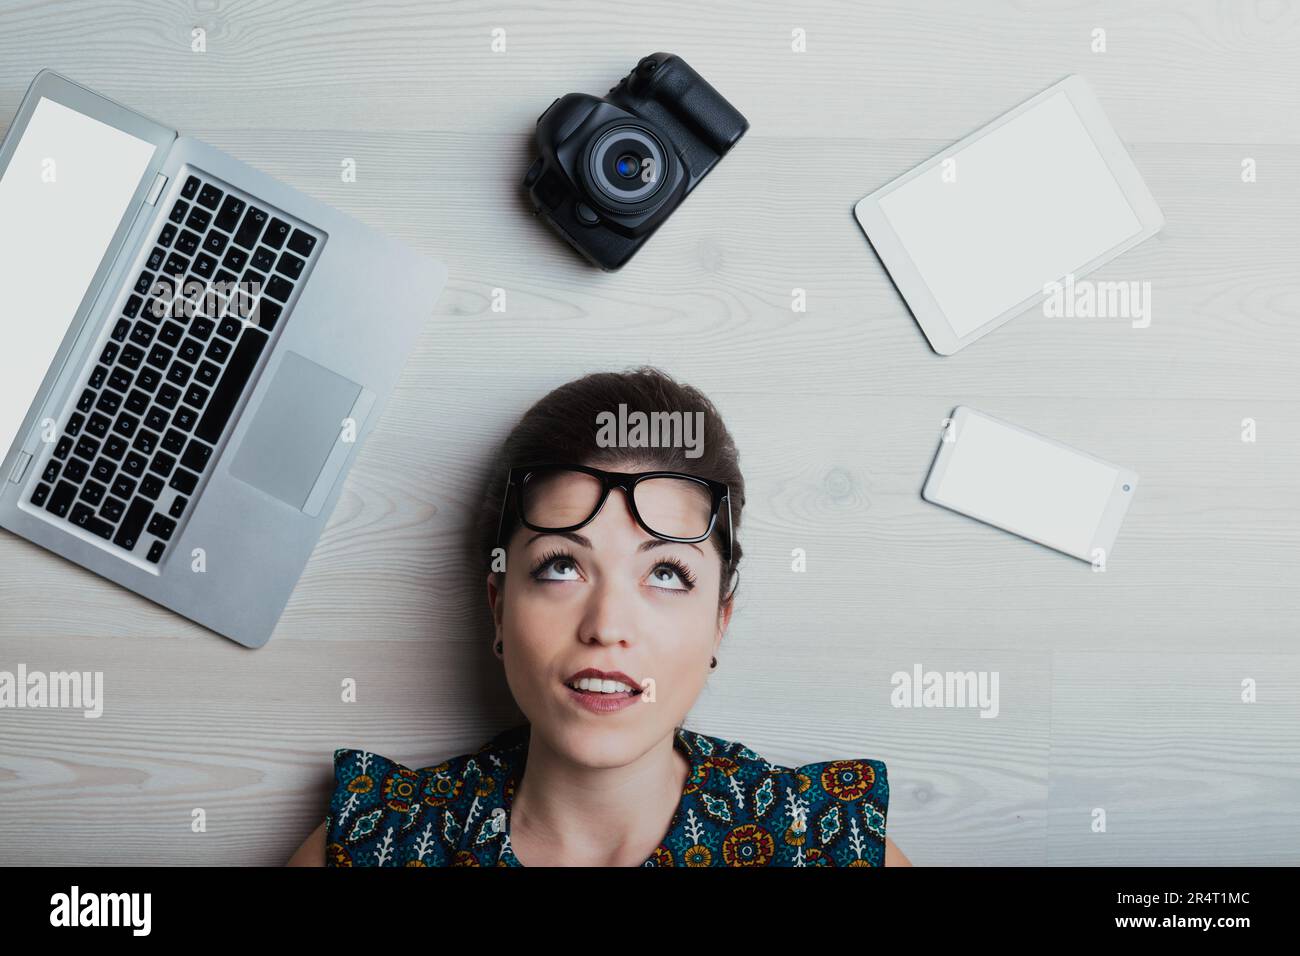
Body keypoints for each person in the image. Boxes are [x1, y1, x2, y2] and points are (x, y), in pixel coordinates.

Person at [288, 367, 909, 866]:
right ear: (499, 607)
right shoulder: (373, 844)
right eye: (561, 567)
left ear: (721, 618)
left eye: (666, 573)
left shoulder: (830, 843)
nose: (607, 625)